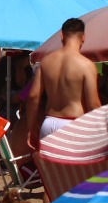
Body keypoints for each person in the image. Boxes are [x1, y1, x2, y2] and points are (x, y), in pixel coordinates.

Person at [28, 16, 101, 147]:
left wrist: (31, 129)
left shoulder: (46, 62)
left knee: (51, 168)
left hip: (48, 123)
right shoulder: (86, 65)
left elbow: (33, 97)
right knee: (75, 168)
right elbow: (93, 104)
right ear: (83, 37)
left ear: (62, 36)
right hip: (74, 125)